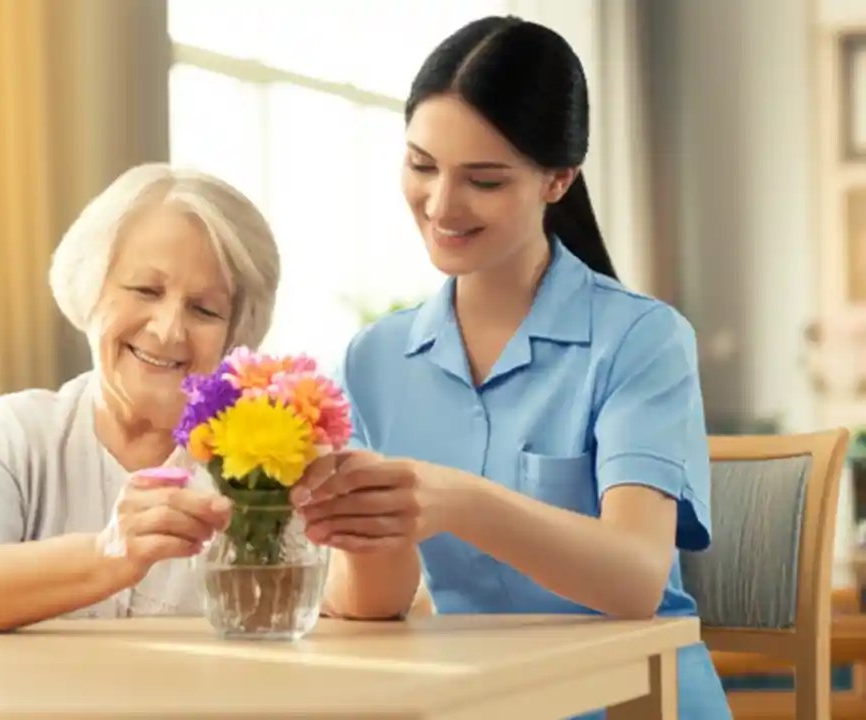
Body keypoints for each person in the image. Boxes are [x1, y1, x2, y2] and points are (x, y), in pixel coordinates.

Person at [290, 16, 730, 719]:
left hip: (636, 702)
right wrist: (349, 521)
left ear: (558, 180)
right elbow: (373, 603)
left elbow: (635, 580)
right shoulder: (373, 358)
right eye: (422, 165)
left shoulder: (641, 340)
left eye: (484, 181)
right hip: (470, 701)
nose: (440, 205)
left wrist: (459, 501)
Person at [0, 163, 281, 632]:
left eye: (205, 309)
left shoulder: (266, 458)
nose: (168, 330)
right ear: (91, 287)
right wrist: (109, 553)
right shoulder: (20, 432)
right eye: (146, 289)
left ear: (234, 332)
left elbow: (347, 599)